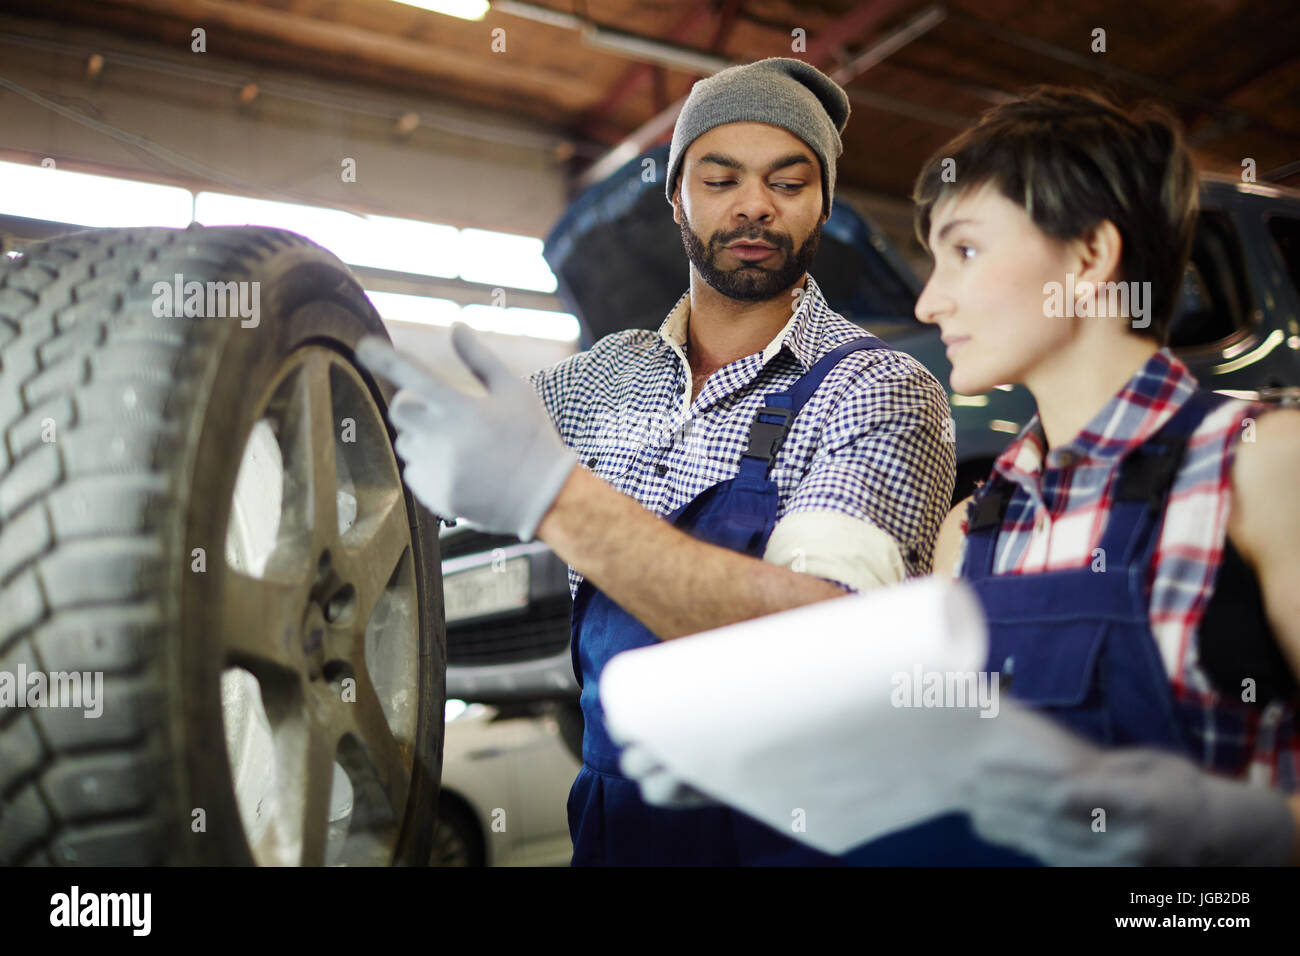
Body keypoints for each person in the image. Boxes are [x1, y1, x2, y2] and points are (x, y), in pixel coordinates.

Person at [358, 57, 955, 865]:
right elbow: (399, 486)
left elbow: (826, 650)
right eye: (719, 179)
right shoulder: (599, 379)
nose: (754, 205)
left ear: (822, 203)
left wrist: (550, 495)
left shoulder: (881, 389)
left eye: (789, 181)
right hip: (616, 823)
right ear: (675, 196)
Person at [895, 86, 1299, 865]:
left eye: (965, 251)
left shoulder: (1258, 469)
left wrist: (1249, 829)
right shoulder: (969, 532)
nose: (928, 300)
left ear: (1087, 258)